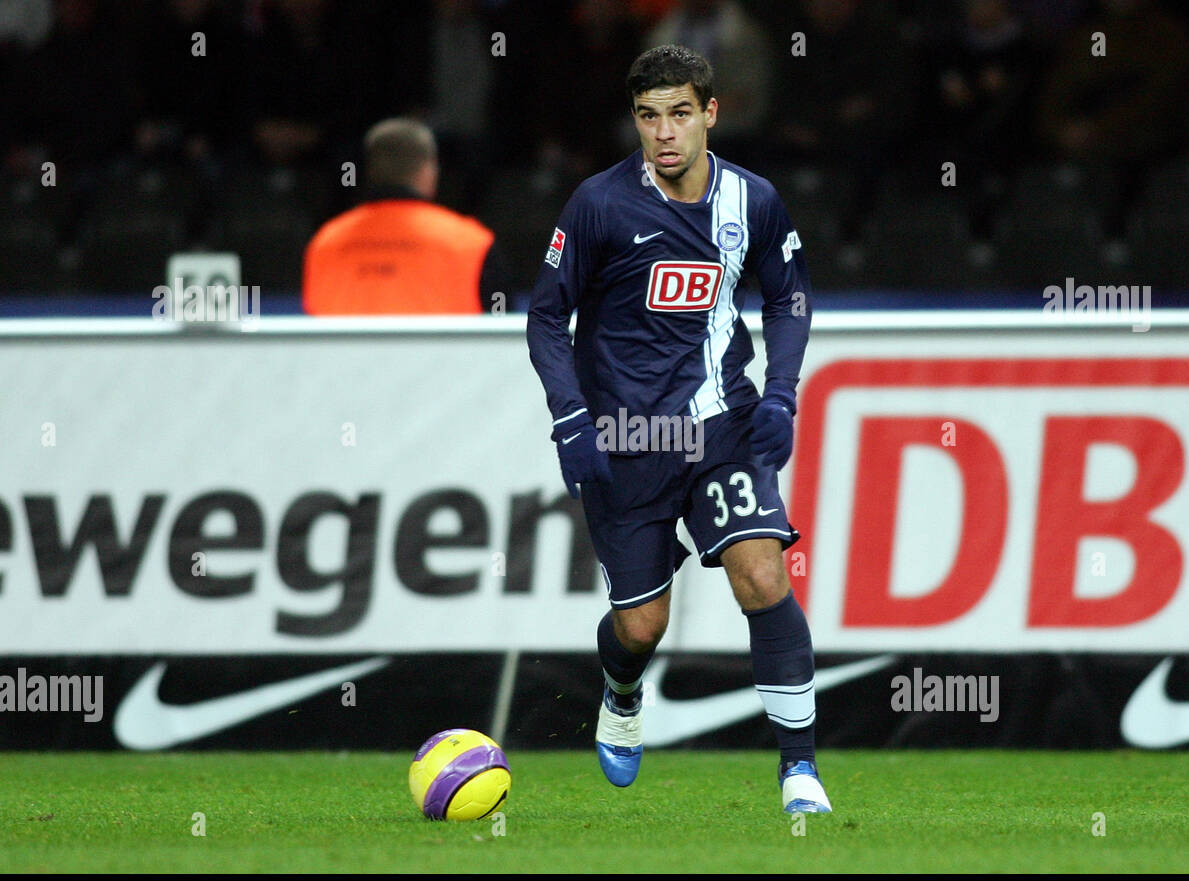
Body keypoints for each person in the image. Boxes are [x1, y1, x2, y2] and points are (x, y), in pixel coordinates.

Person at [525, 45, 827, 814]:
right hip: (628, 439)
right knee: (641, 624)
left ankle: (800, 772)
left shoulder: (752, 201)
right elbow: (546, 316)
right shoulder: (598, 205)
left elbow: (788, 297)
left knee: (763, 574)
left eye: (680, 114)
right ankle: (621, 691)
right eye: (649, 117)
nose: (664, 133)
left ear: (710, 114)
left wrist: (782, 396)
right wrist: (570, 420)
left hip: (721, 426)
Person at [302, 117, 503, 314]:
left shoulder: (325, 242)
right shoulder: (473, 243)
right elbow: (502, 331)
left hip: (344, 349)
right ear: (428, 169)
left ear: (369, 171)